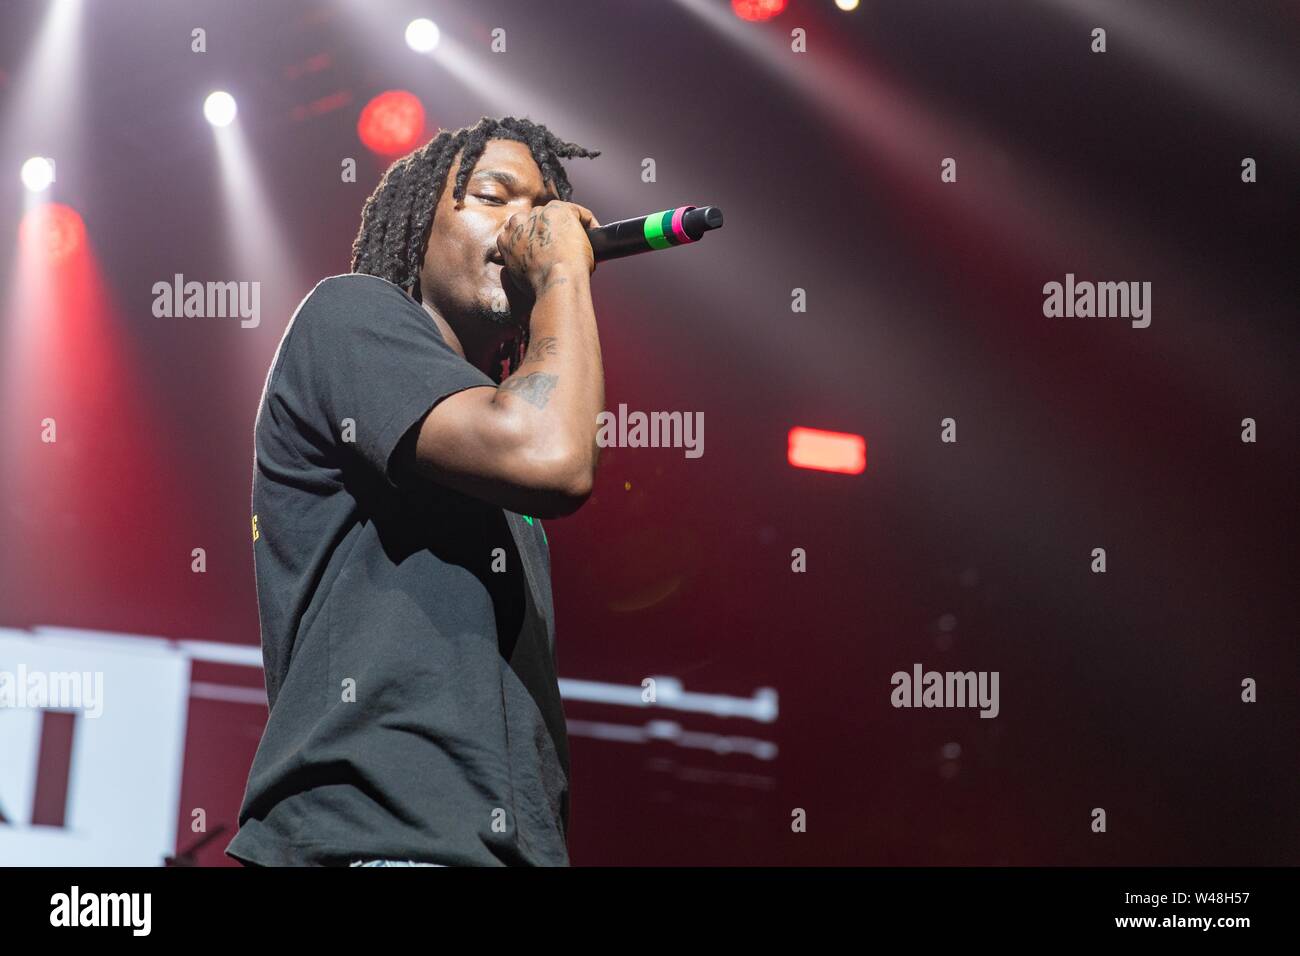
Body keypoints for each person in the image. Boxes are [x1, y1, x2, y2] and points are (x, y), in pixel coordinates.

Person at [225, 116, 604, 867]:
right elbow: (555, 455)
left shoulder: (488, 439)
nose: (525, 225)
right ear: (416, 230)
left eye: (542, 209)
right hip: (378, 843)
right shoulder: (349, 316)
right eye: (494, 196)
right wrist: (563, 271)